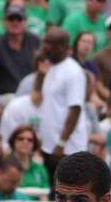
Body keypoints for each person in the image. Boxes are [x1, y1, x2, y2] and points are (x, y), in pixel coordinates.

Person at [36, 26, 86, 177]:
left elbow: (75, 110)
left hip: (67, 149)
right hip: (51, 147)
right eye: (45, 41)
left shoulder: (73, 71)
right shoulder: (53, 68)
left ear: (63, 47)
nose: (45, 47)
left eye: (50, 43)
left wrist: (61, 143)